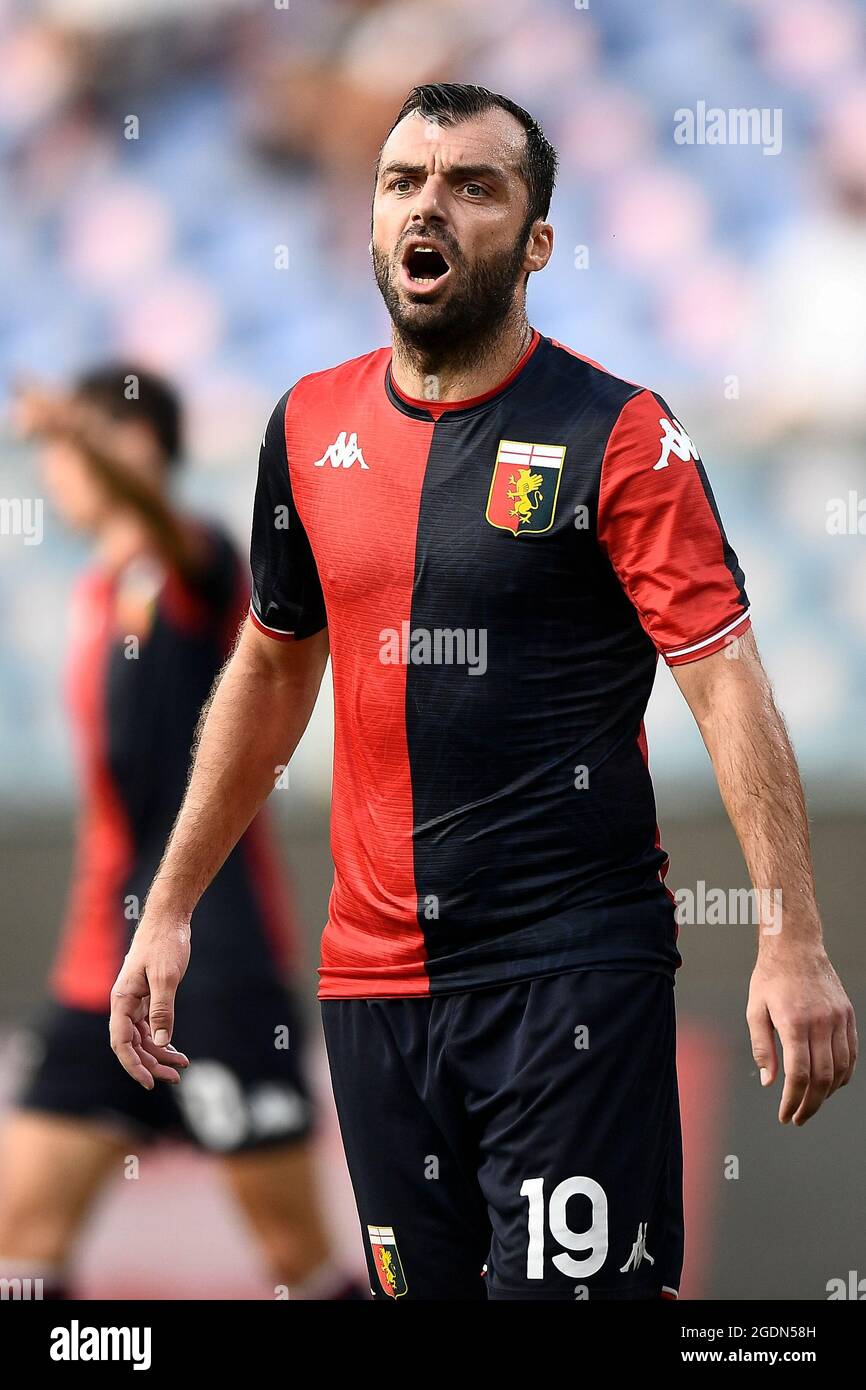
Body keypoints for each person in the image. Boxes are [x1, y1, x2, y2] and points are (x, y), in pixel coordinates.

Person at [109, 84, 858, 1301]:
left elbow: (722, 684)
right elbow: (271, 662)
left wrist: (790, 934)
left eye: (472, 185)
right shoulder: (306, 426)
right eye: (404, 181)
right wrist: (170, 904)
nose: (430, 206)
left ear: (535, 242)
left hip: (568, 978)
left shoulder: (616, 434)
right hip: (372, 991)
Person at [0, 366, 363, 1301]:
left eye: (66, 453)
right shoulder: (99, 593)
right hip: (97, 973)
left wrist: (73, 430)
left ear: (127, 451)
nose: (52, 474)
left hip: (211, 964)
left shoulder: (195, 563)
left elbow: (164, 524)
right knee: (20, 1246)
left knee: (296, 1259)